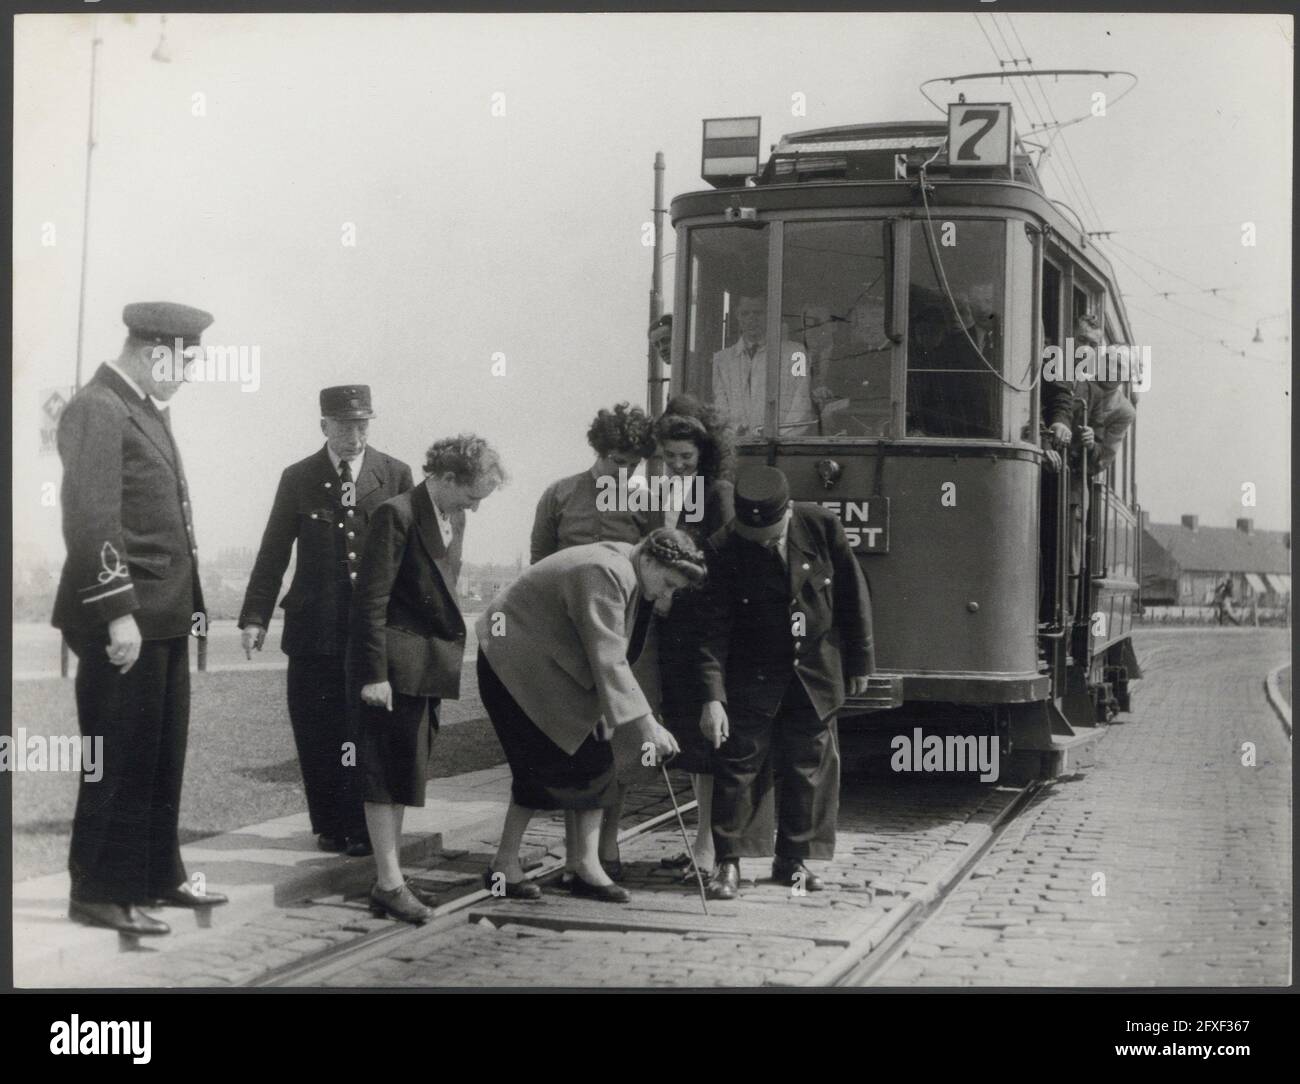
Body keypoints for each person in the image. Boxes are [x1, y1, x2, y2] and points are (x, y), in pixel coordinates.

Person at [53, 301, 227, 935]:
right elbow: (91, 518)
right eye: (184, 361)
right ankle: (99, 889)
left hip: (164, 615)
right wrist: (118, 612)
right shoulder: (98, 408)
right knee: (116, 756)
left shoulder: (144, 409)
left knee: (158, 755)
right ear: (157, 351)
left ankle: (157, 873)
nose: (186, 374)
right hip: (125, 618)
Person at [476, 530, 706, 903]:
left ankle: (581, 867)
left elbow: (605, 652)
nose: (667, 596)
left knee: (595, 761)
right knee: (542, 766)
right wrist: (648, 725)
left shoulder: (628, 569)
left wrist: (604, 710)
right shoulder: (605, 571)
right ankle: (508, 867)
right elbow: (608, 656)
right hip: (513, 665)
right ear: (648, 560)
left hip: (551, 665)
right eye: (666, 584)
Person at [238, 385, 413, 857]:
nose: (355, 435)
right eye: (344, 426)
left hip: (371, 632)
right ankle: (330, 823)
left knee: (365, 729)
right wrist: (254, 617)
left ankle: (362, 825)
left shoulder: (395, 474)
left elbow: (411, 556)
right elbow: (274, 550)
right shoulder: (298, 477)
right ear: (324, 427)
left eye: (362, 425)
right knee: (318, 728)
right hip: (313, 629)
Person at [695, 466, 876, 901]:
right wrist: (713, 697)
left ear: (788, 512)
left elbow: (853, 593)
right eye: (750, 532)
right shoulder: (723, 548)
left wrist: (861, 660)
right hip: (752, 673)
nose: (759, 540)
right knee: (737, 766)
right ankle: (729, 862)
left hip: (815, 668)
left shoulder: (821, 526)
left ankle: (793, 859)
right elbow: (712, 630)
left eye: (769, 533)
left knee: (808, 766)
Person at [349, 434, 506, 923]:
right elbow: (371, 601)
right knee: (383, 773)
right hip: (394, 672)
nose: (475, 508)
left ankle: (388, 878)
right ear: (444, 477)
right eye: (472, 495)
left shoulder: (452, 515)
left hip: (428, 668)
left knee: (403, 775)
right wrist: (374, 675)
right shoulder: (395, 515)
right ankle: (390, 883)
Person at [647, 395, 736, 882]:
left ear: (704, 452)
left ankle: (709, 848)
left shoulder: (717, 491)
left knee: (709, 743)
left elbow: (717, 570)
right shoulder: (667, 492)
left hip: (701, 630)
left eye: (686, 456)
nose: (678, 465)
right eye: (670, 456)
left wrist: (674, 599)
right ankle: (704, 844)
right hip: (674, 629)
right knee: (693, 747)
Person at [530, 402, 656, 564]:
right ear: (600, 451)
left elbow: (653, 567)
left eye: (634, 465)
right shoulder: (557, 494)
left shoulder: (646, 502)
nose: (625, 471)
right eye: (619, 461)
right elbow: (539, 561)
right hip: (565, 588)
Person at [710, 294, 815, 438]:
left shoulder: (797, 354)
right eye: (745, 313)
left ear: (769, 315)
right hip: (740, 449)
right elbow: (721, 408)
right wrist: (736, 434)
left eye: (758, 313)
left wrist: (777, 436)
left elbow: (801, 404)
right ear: (737, 316)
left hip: (781, 448)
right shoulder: (722, 360)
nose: (752, 318)